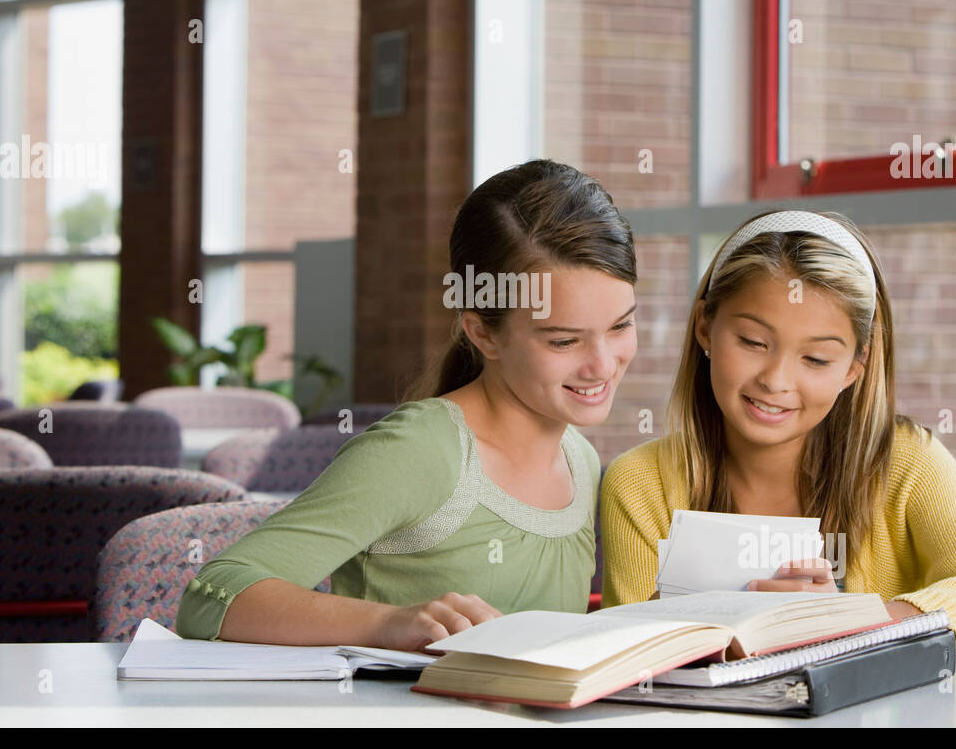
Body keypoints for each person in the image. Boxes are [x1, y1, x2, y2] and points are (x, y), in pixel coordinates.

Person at [176, 159, 638, 652]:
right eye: (565, 341)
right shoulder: (420, 452)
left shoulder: (580, 460)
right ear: (482, 331)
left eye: (620, 327)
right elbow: (211, 599)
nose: (603, 365)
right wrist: (386, 624)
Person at [600, 209, 956, 655]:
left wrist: (845, 621)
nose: (776, 380)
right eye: (753, 343)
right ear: (705, 327)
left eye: (816, 360)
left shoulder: (904, 462)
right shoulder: (642, 483)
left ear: (854, 367)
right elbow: (627, 661)